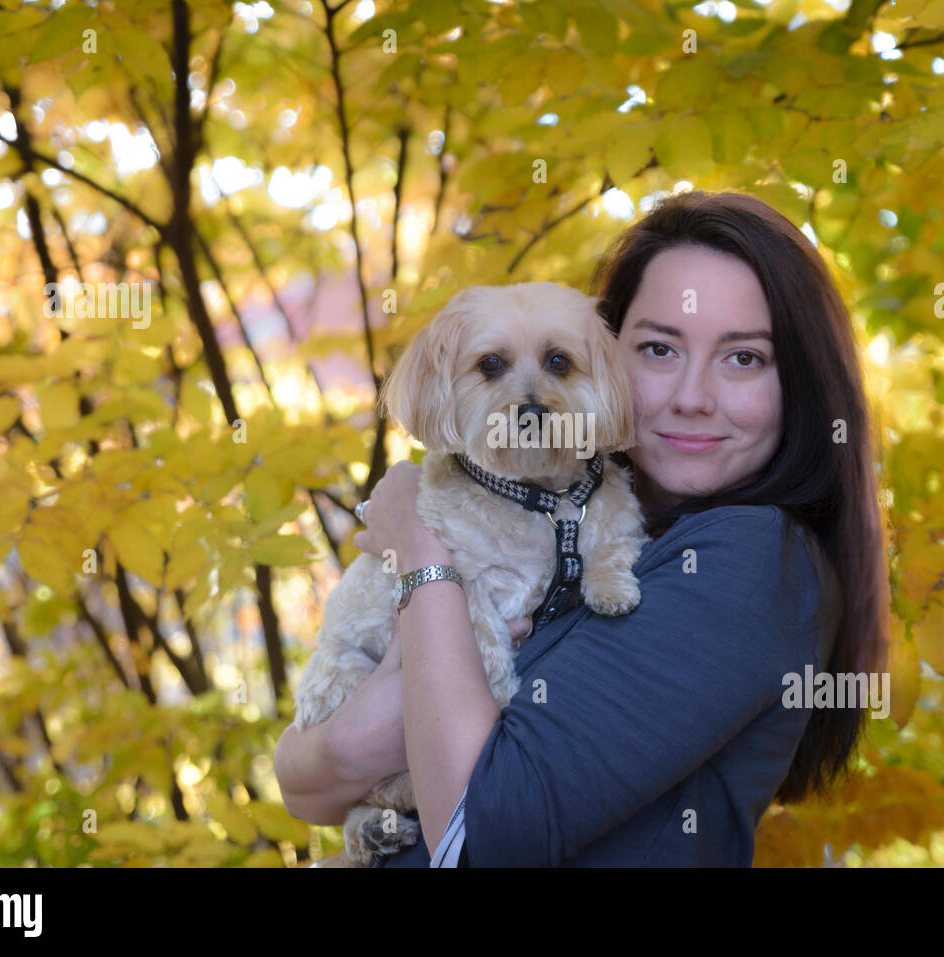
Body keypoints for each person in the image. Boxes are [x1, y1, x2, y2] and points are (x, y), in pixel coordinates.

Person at [273, 190, 888, 866]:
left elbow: (479, 836)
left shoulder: (749, 561)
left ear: (799, 386)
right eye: (658, 349)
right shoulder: (582, 531)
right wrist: (351, 742)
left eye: (744, 358)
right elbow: (304, 787)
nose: (691, 396)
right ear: (611, 365)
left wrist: (421, 552)